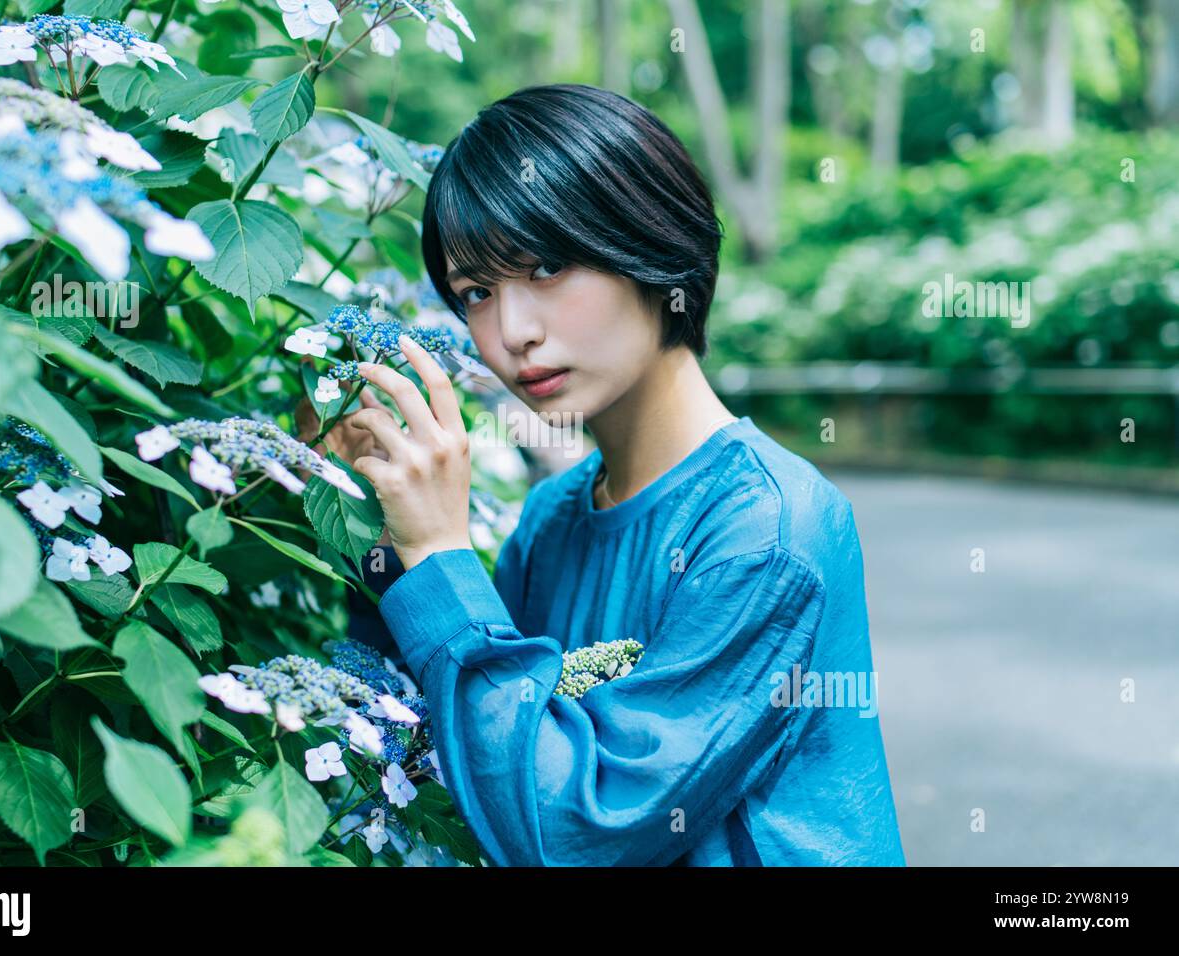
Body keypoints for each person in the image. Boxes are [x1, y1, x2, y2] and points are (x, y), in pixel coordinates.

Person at [298, 84, 906, 867]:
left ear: (652, 245)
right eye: (476, 292)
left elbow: (573, 829)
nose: (512, 332)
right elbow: (467, 745)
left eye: (548, 266)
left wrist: (446, 556)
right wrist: (379, 536)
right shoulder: (553, 518)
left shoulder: (767, 532)